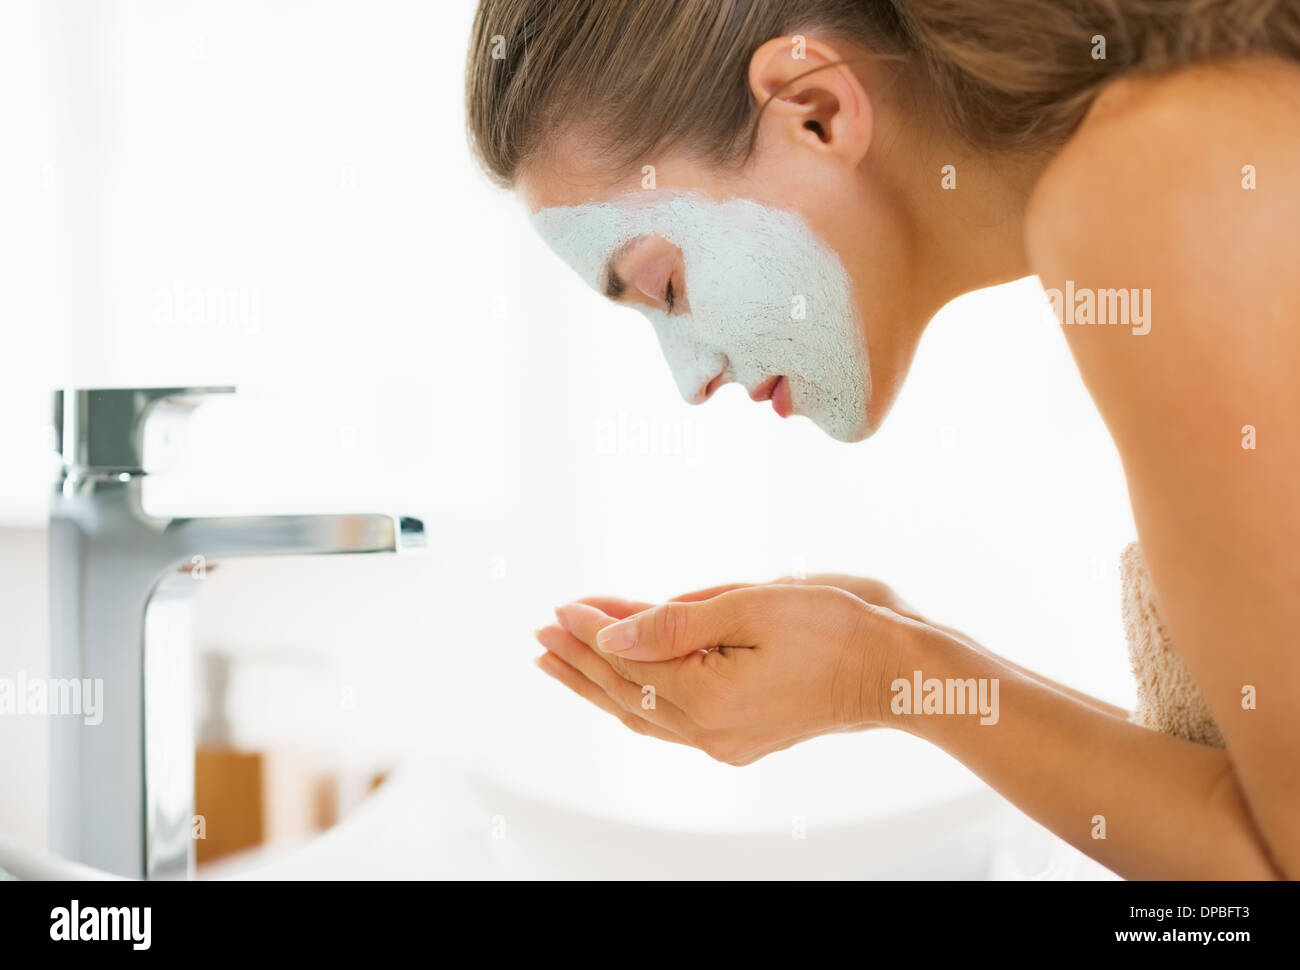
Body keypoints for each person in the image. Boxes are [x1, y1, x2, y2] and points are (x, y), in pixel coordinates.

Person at [465, 0, 1300, 878]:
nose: (690, 378)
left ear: (816, 111)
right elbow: (1249, 797)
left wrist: (889, 672)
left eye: (664, 285)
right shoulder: (1169, 156)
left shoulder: (1150, 185)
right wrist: (896, 650)